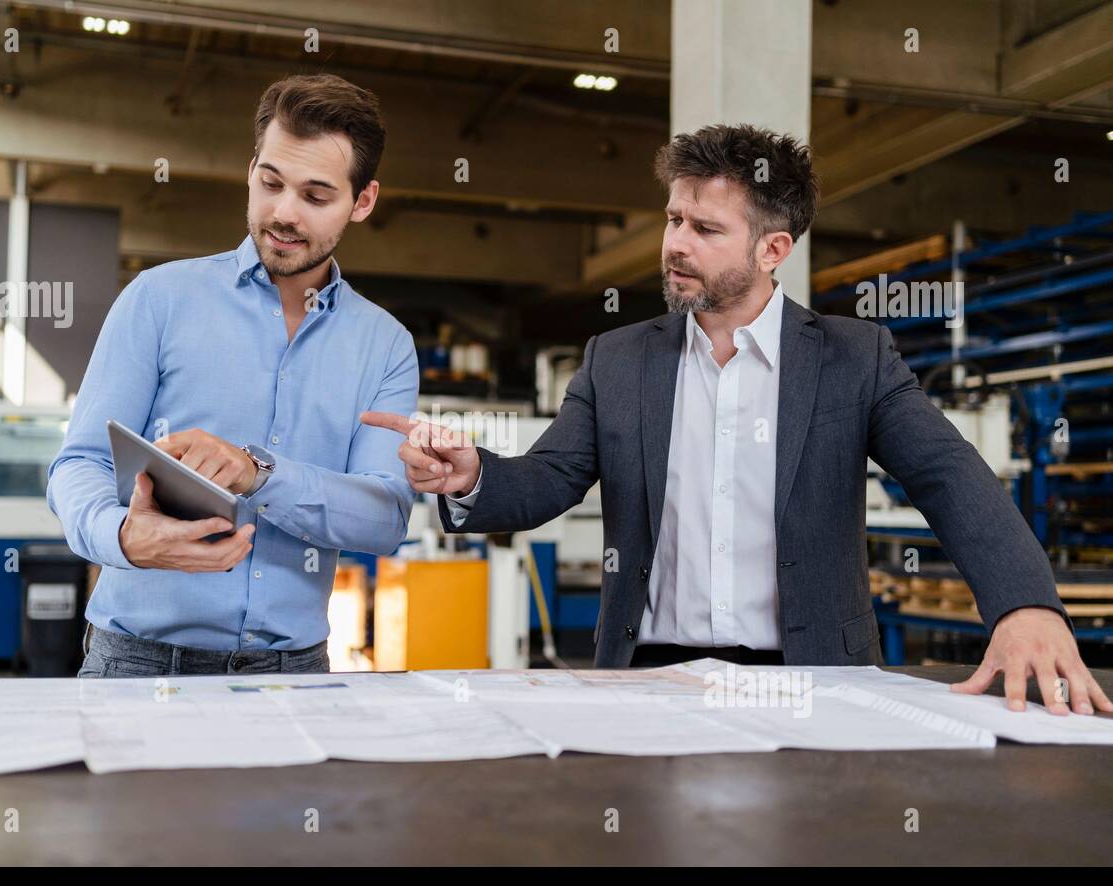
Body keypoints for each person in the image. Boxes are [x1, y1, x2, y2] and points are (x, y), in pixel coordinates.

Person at [364, 123, 1110, 717]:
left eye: (705, 229)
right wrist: (471, 478)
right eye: (673, 219)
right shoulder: (618, 360)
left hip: (811, 681)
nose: (675, 244)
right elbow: (549, 478)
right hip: (649, 678)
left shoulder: (854, 359)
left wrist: (1024, 605)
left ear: (772, 248)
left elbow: (950, 478)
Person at [49, 73, 416, 677]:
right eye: (270, 183)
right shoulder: (158, 300)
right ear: (251, 171)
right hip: (139, 665)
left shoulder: (386, 347)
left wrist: (259, 475)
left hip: (292, 673)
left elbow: (383, 518)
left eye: (316, 196)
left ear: (364, 201)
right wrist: (121, 536)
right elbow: (78, 464)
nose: (283, 213)